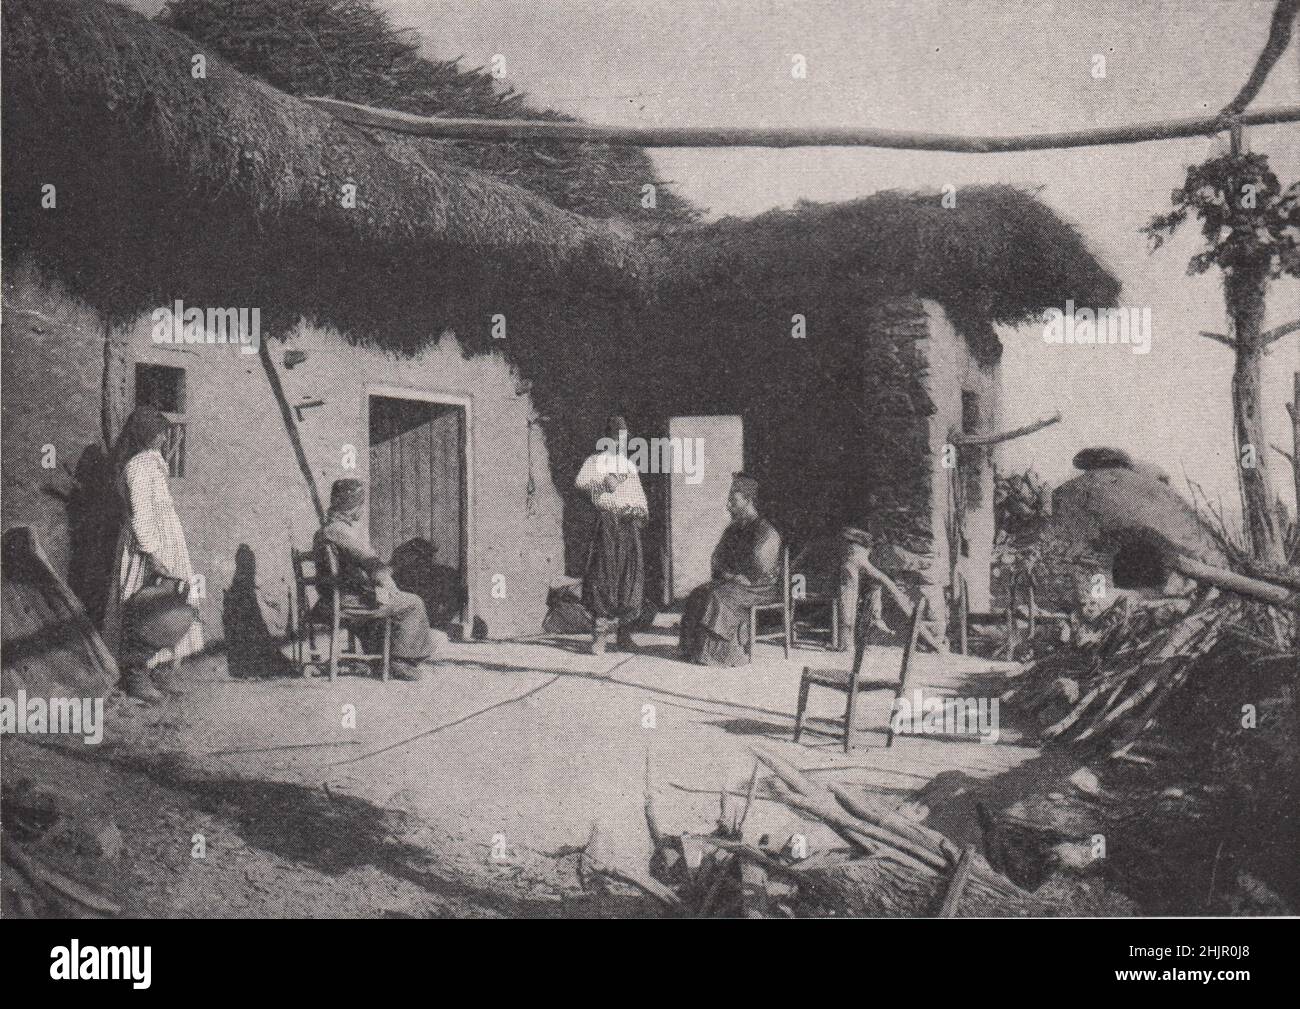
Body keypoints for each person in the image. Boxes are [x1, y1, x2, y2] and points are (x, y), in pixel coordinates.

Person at [102, 407, 204, 702]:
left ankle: (159, 670)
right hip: (147, 547)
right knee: (144, 605)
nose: (164, 437)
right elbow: (141, 514)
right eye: (159, 432)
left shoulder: (154, 463)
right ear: (147, 434)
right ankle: (135, 675)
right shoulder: (138, 466)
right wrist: (151, 553)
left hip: (167, 541)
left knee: (171, 604)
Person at [314, 479, 445, 681]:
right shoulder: (341, 532)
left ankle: (380, 657)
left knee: (389, 600)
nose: (362, 509)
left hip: (332, 598)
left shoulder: (324, 531)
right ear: (355, 506)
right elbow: (373, 566)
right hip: (349, 601)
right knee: (412, 603)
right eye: (361, 504)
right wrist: (394, 572)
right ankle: (399, 661)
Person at [678, 473, 782, 666]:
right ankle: (692, 649)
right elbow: (717, 558)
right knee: (699, 593)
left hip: (758, 588)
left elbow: (760, 569)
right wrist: (727, 574)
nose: (728, 506)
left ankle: (723, 654)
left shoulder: (765, 531)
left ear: (748, 500)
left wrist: (739, 578)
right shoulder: (732, 529)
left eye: (733, 501)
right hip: (735, 583)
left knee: (718, 597)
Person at [575, 416, 648, 654]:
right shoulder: (595, 462)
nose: (620, 444)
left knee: (629, 579)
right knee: (603, 577)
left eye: (624, 439)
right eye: (617, 439)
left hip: (627, 526)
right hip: (607, 523)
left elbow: (639, 498)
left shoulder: (629, 466)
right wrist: (601, 483)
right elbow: (580, 483)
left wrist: (637, 511)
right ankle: (599, 638)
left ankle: (624, 635)